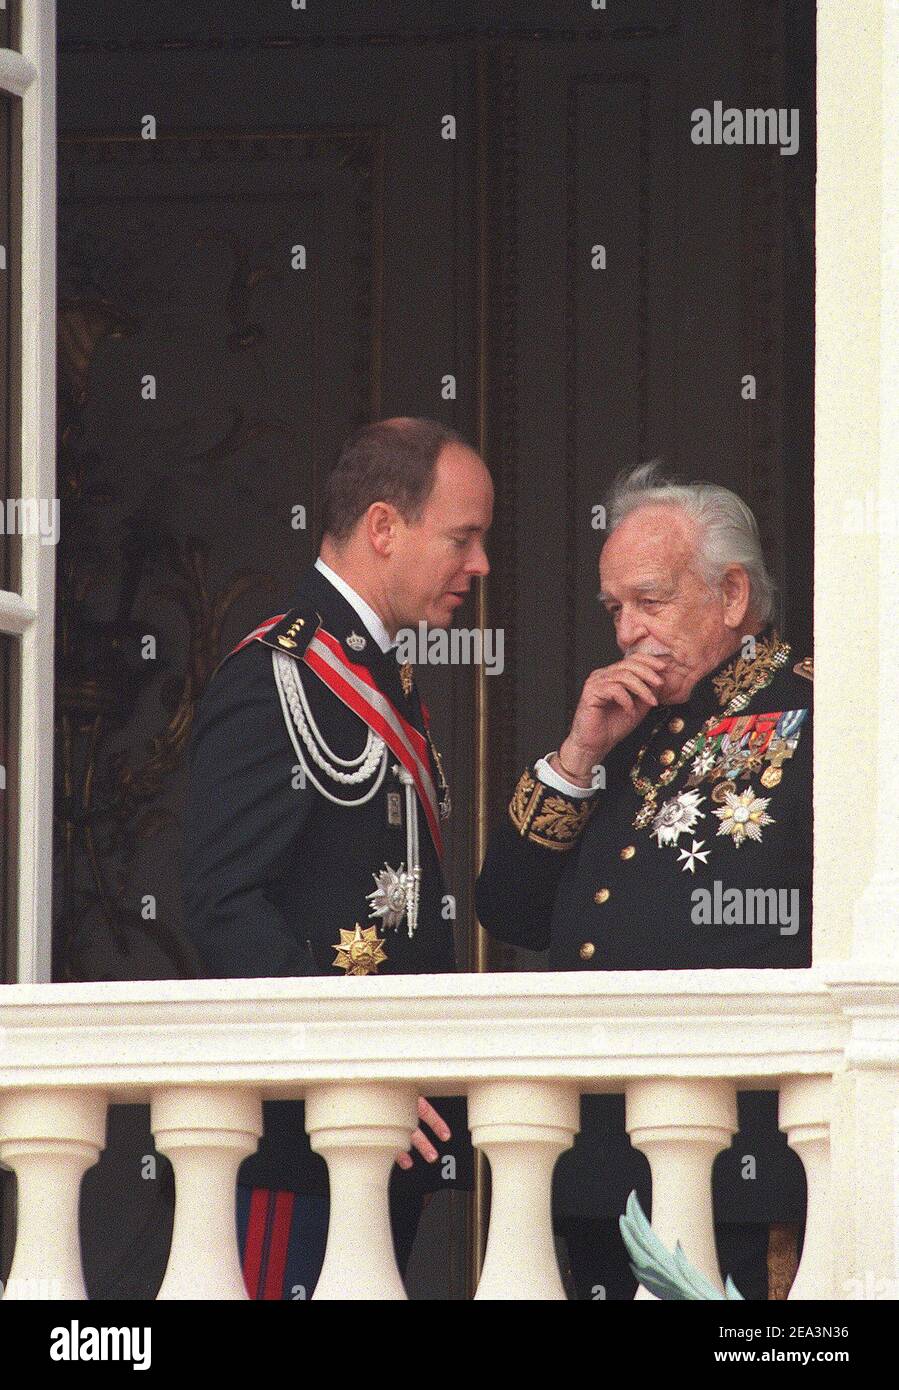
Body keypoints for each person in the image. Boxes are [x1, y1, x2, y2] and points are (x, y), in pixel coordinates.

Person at [476, 461, 812, 1301]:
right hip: (600, 1158)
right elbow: (510, 912)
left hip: (743, 1156)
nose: (627, 630)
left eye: (650, 600)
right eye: (614, 608)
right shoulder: (624, 727)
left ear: (731, 595)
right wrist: (577, 757)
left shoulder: (818, 716)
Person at [182, 416, 492, 1298]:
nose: (479, 566)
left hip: (376, 1129)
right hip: (303, 1143)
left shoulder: (377, 672)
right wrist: (346, 1073)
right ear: (384, 527)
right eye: (462, 538)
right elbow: (222, 903)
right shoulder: (275, 672)